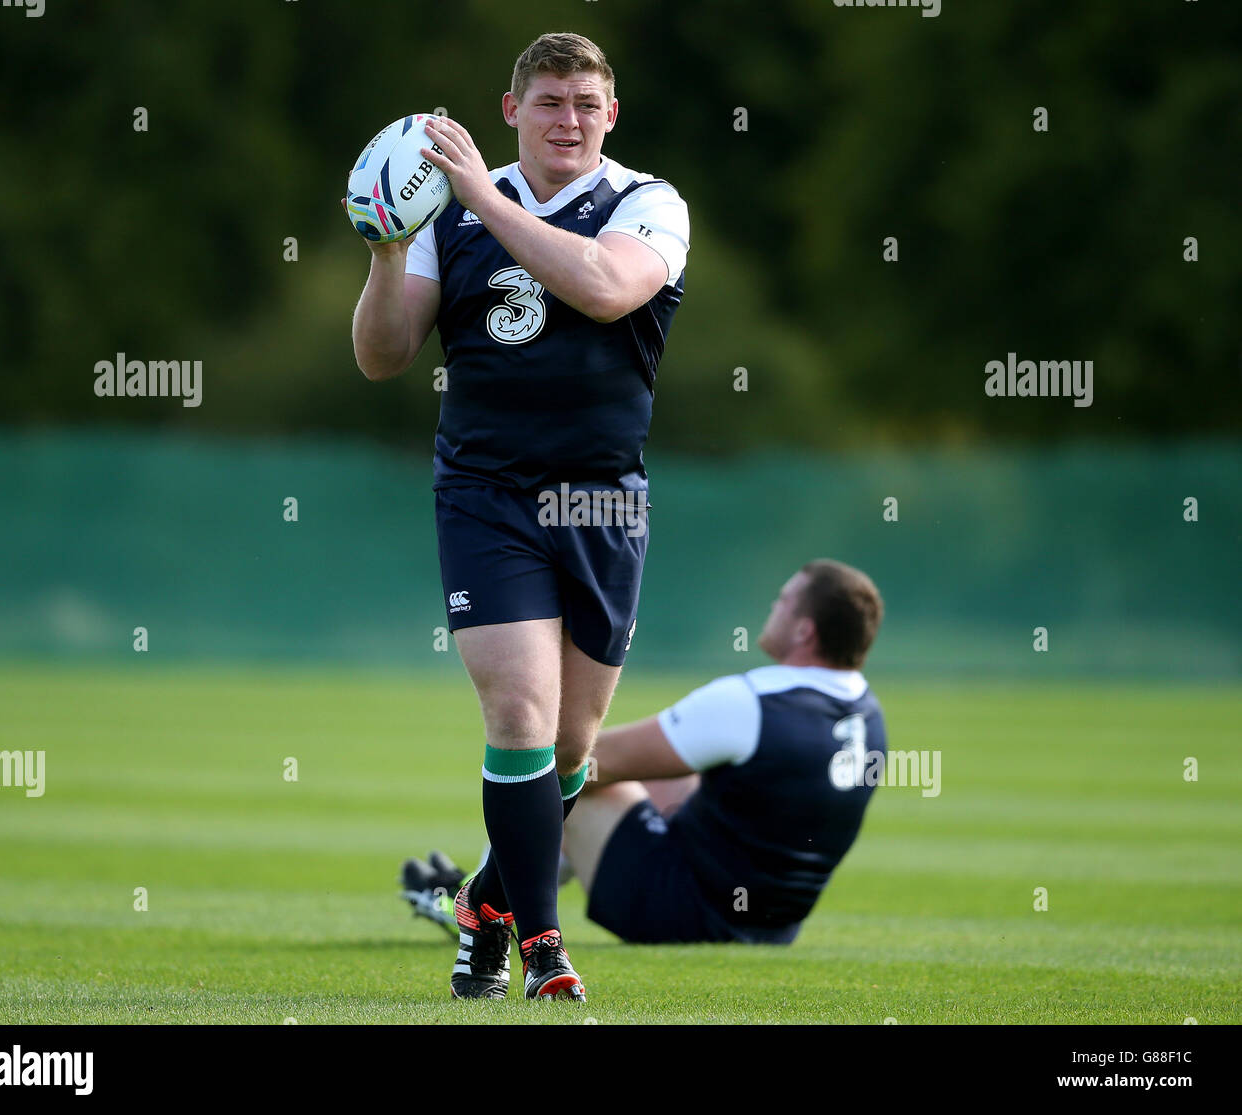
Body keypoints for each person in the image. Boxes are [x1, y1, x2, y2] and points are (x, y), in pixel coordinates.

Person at [353, 32, 689, 1000]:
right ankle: (541, 942)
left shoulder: (645, 202)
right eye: (548, 101)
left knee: (572, 750)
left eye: (586, 103)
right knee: (517, 714)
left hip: (599, 500)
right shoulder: (443, 205)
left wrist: (481, 200)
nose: (568, 120)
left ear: (610, 116)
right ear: (513, 110)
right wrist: (385, 246)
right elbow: (382, 355)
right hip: (484, 491)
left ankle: (485, 902)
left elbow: (603, 287)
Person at [403, 560, 887, 946]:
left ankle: (482, 902)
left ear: (804, 631)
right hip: (774, 926)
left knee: (564, 776)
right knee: (674, 779)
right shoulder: (868, 712)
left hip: (685, 914)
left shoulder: (752, 700)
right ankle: (495, 893)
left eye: (783, 601)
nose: (772, 606)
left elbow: (580, 764)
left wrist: (523, 782)